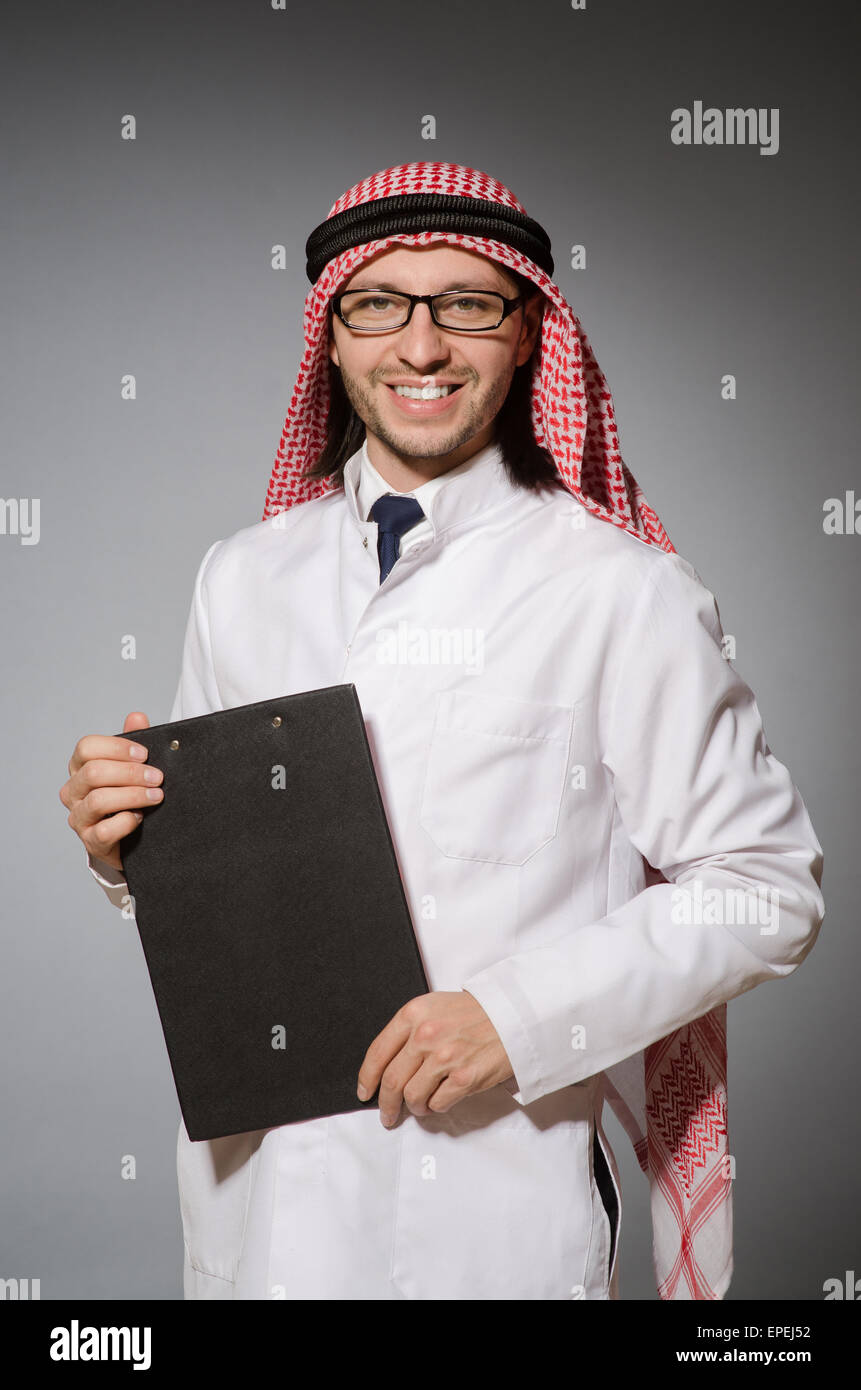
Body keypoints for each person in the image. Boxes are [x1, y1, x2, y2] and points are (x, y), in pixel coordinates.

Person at [60, 161, 824, 1301]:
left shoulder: (622, 591)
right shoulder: (242, 578)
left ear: (527, 334)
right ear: (331, 335)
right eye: (380, 305)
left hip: (492, 1218)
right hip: (266, 1221)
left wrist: (515, 1020)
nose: (420, 347)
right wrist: (130, 851)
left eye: (465, 304)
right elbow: (240, 895)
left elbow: (768, 887)